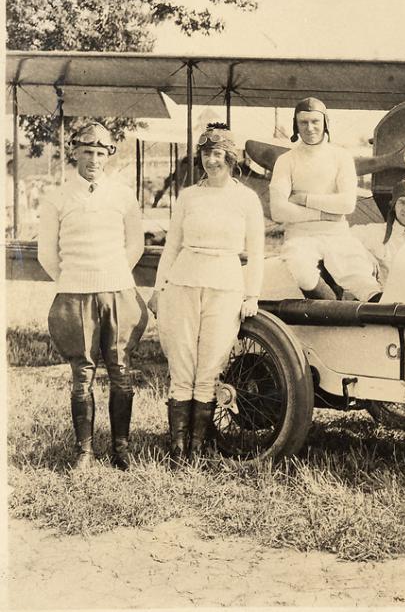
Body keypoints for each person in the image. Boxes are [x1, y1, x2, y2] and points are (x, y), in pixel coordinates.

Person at [149, 124, 264, 463]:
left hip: (226, 284)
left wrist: (252, 295)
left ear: (230, 157)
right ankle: (177, 448)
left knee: (210, 365)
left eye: (217, 154)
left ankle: (198, 447)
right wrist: (158, 289)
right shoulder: (188, 196)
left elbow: (257, 252)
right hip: (183, 281)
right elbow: (171, 247)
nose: (211, 160)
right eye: (205, 154)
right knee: (182, 363)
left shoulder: (246, 198)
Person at [37, 123, 148, 470]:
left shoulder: (123, 194)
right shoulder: (57, 196)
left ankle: (121, 448)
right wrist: (72, 278)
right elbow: (46, 253)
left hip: (118, 291)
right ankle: (84, 451)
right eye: (87, 152)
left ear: (108, 155)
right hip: (74, 294)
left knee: (121, 370)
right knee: (82, 373)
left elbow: (136, 243)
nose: (94, 160)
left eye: (100, 153)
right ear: (74, 152)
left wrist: (114, 273)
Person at [269, 97, 381, 300]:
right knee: (302, 273)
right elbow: (278, 210)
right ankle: (334, 310)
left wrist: (304, 198)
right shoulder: (285, 161)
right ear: (296, 125)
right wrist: (325, 214)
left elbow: (347, 204)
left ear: (325, 122)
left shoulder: (341, 157)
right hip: (300, 237)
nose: (310, 128)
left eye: (315, 121)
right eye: (303, 122)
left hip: (337, 235)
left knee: (363, 281)